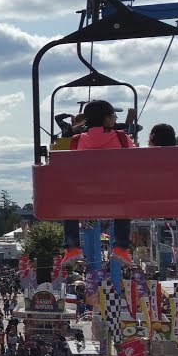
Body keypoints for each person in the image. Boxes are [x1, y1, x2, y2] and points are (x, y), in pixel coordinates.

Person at [62, 101, 134, 266]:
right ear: (107, 120)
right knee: (125, 204)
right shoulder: (122, 137)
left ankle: (72, 247)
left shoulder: (77, 140)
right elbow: (134, 159)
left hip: (84, 198)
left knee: (67, 204)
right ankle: (121, 247)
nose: (115, 119)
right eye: (114, 116)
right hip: (116, 197)